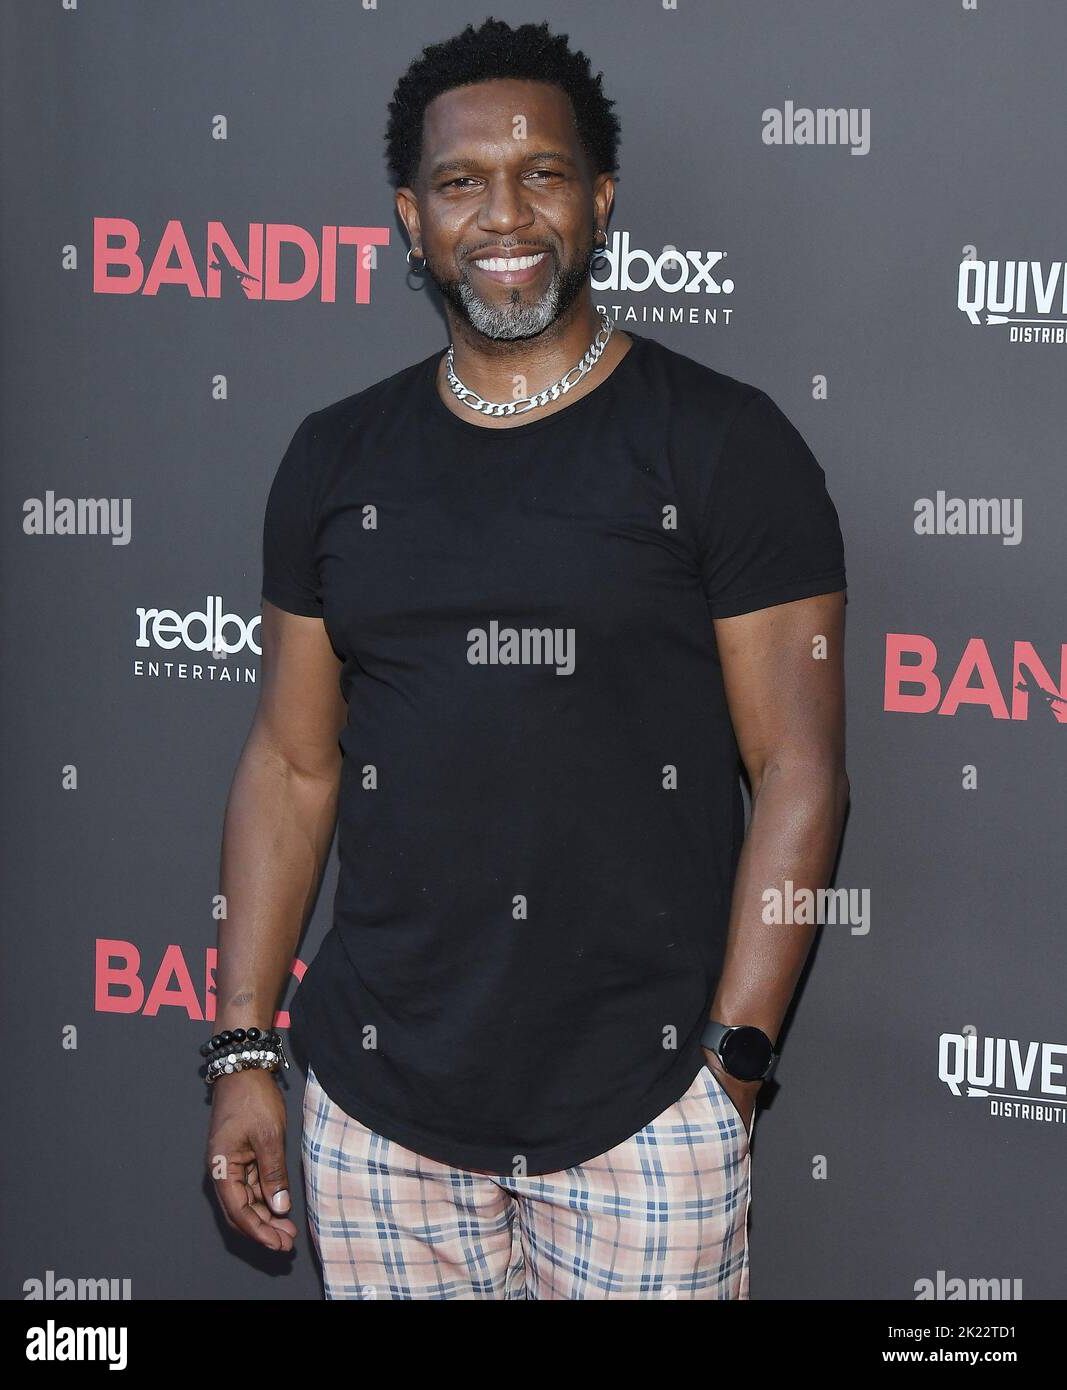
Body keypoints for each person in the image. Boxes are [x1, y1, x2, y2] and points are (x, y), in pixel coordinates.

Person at [205, 17, 848, 1301]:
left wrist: (732, 1066)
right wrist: (242, 1049)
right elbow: (290, 764)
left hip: (646, 1109)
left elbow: (800, 772)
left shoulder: (720, 445)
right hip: (378, 1112)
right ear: (409, 215)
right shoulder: (334, 460)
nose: (503, 212)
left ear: (598, 199)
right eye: (460, 182)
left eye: (540, 173)